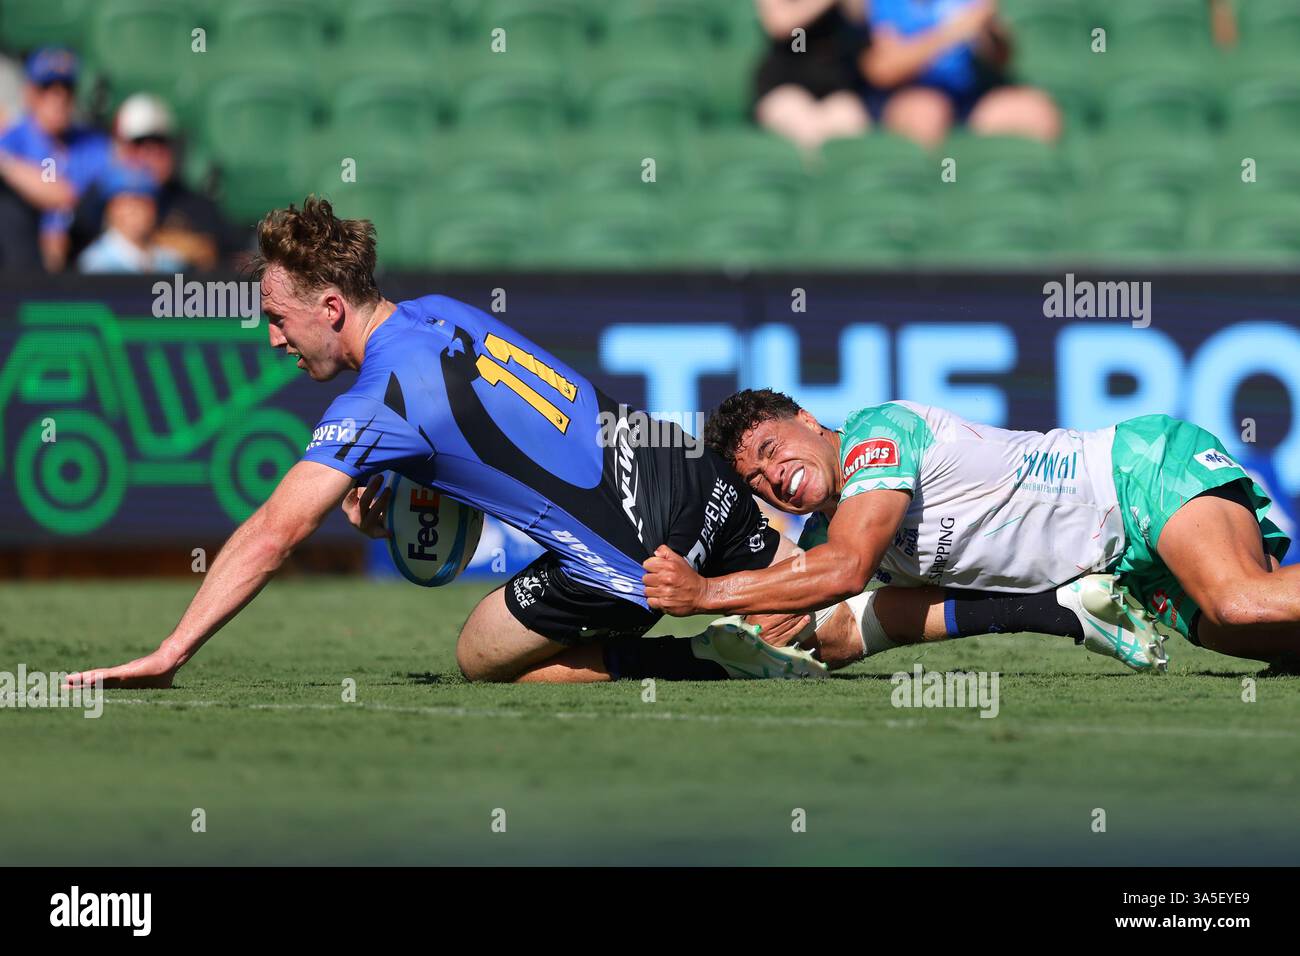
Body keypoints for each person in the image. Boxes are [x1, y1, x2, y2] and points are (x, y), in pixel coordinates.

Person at [64, 198, 1157, 692]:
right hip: (679, 464)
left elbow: (266, 531)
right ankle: (1046, 602)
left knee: (484, 658)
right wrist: (392, 470)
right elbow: (512, 425)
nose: (268, 333)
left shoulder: (365, 402)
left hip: (625, 555)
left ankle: (683, 654)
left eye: (278, 314)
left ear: (334, 304)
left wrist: (173, 649)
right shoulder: (442, 312)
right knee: (816, 613)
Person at [644, 390, 1296, 673]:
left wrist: (705, 594)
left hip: (1137, 474)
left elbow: (844, 573)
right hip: (1127, 561)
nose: (772, 475)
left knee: (1240, 600)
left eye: (770, 447)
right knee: (1268, 639)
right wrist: (719, 647)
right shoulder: (829, 536)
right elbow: (830, 631)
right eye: (755, 478)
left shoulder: (878, 435)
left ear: (809, 421)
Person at [71, 93, 241, 270]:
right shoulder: (97, 201)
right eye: (140, 143)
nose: (152, 152)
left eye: (160, 142)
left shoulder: (197, 206)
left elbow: (231, 256)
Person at [861, 0, 1060, 147]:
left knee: (1033, 111)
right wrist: (952, 32)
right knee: (926, 112)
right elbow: (882, 71)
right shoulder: (887, 4)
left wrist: (991, 32)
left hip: (972, 96)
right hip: (913, 93)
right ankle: (932, 191)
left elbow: (1003, 60)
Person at [0, 47, 111, 270]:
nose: (58, 98)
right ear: (30, 93)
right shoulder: (14, 138)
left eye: (66, 89)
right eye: (47, 88)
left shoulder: (92, 142)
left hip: (80, 255)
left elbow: (64, 195)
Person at [752, 0, 872, 152]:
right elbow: (779, 22)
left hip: (833, 88)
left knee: (849, 119)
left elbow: (860, 17)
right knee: (800, 122)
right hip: (784, 85)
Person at [77, 163, 186, 273]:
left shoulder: (170, 261)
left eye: (143, 203)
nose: (136, 211)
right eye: (127, 203)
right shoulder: (97, 262)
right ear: (110, 210)